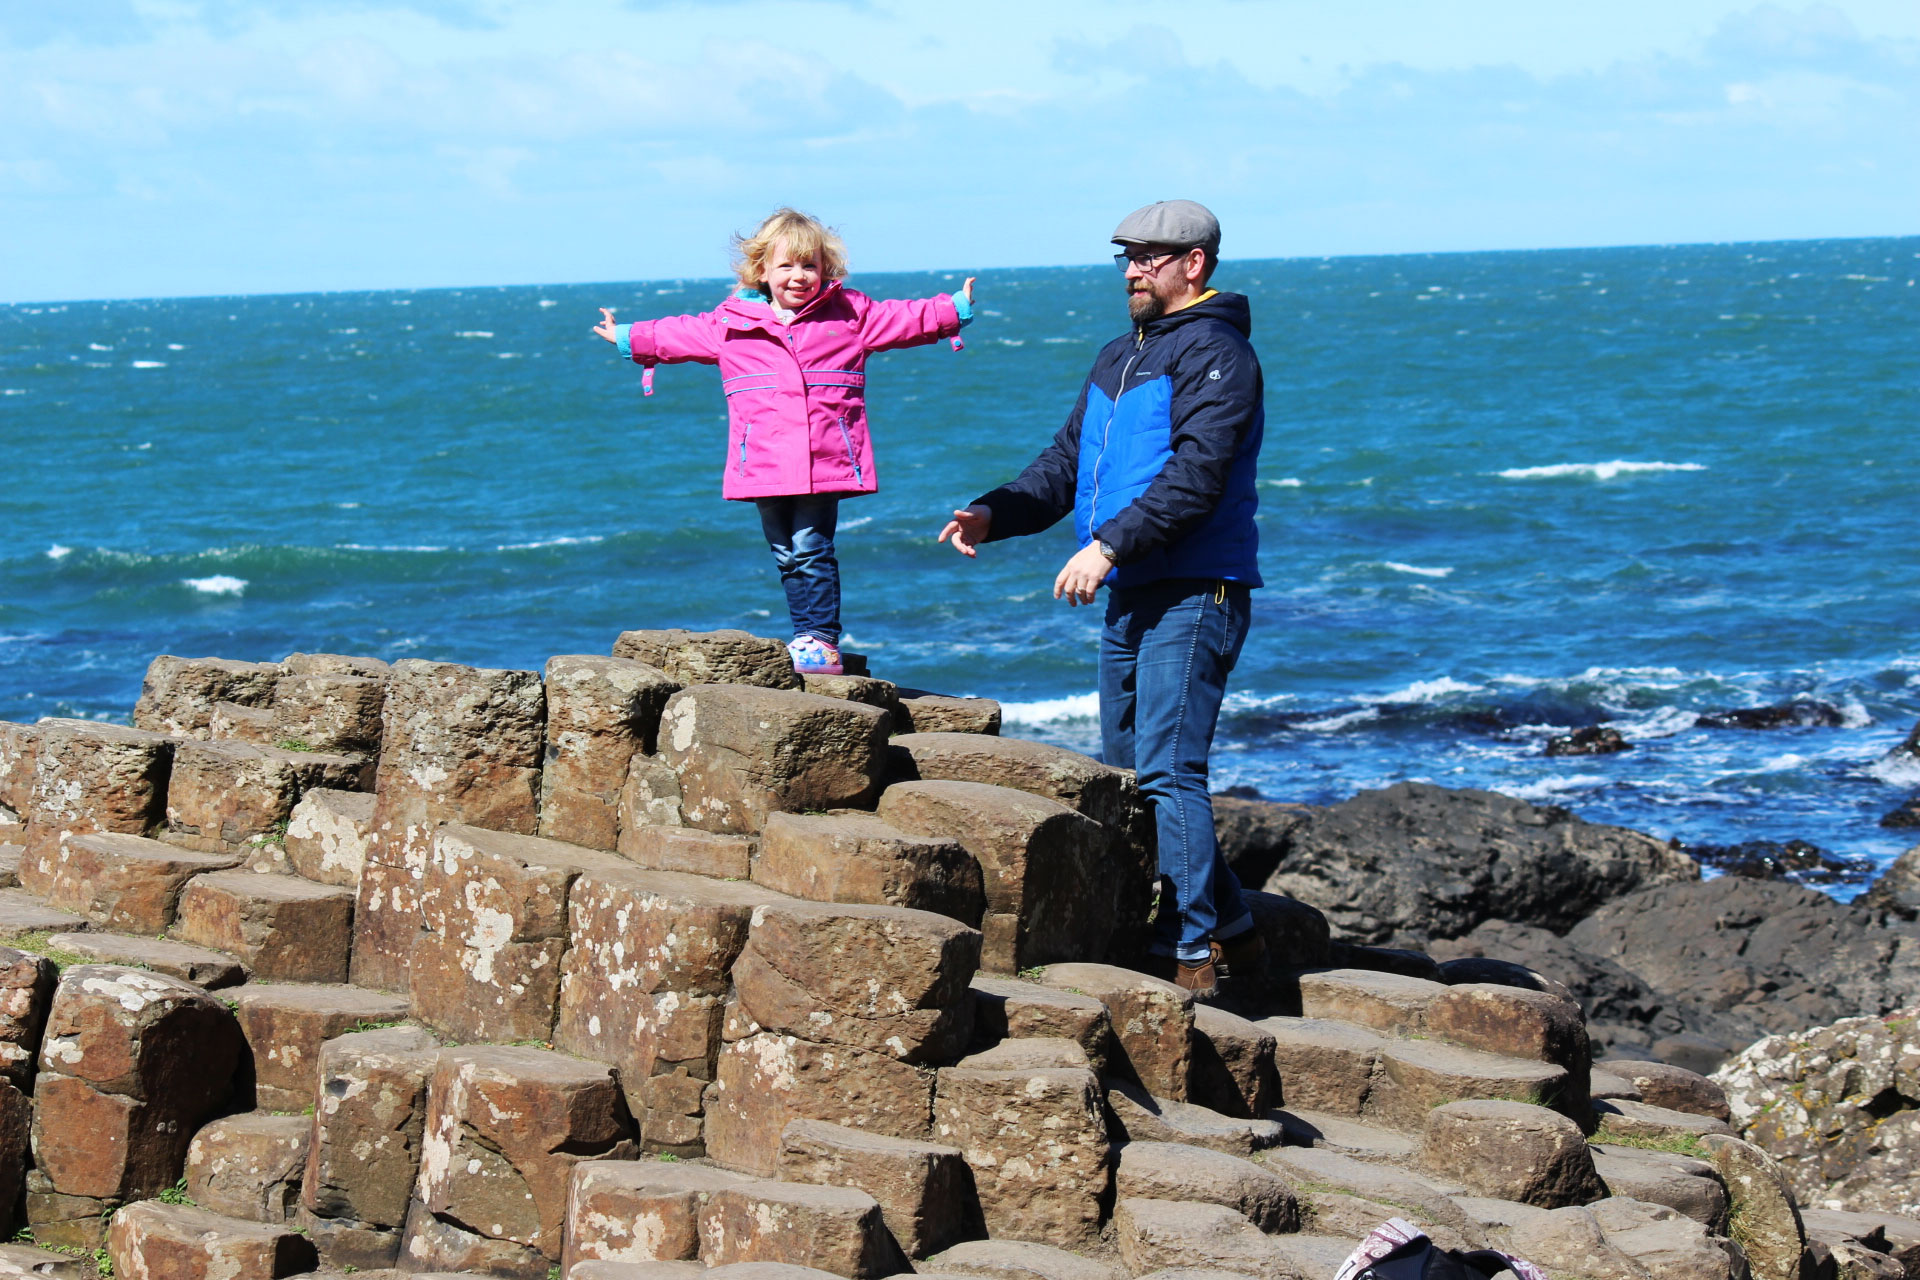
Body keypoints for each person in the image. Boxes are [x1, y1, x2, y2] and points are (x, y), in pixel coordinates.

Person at [938, 199, 1264, 998]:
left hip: (1197, 589)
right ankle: (1231, 923)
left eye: (1150, 257)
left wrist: (1109, 544)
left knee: (1167, 769)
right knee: (1128, 769)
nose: (1132, 270)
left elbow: (1196, 479)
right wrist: (995, 511)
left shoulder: (1219, 355)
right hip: (1133, 592)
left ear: (1196, 264)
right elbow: (1060, 466)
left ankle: (1196, 956)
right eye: (1127, 256)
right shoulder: (1119, 355)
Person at [595, 207, 975, 675]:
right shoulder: (730, 322)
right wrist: (629, 335)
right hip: (765, 461)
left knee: (811, 545)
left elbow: (903, 320)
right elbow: (678, 333)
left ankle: (822, 641)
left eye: (809, 265)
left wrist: (951, 308)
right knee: (786, 552)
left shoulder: (849, 314)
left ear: (825, 269)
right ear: (761, 270)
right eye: (787, 266)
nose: (799, 276)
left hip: (825, 458)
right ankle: (805, 636)